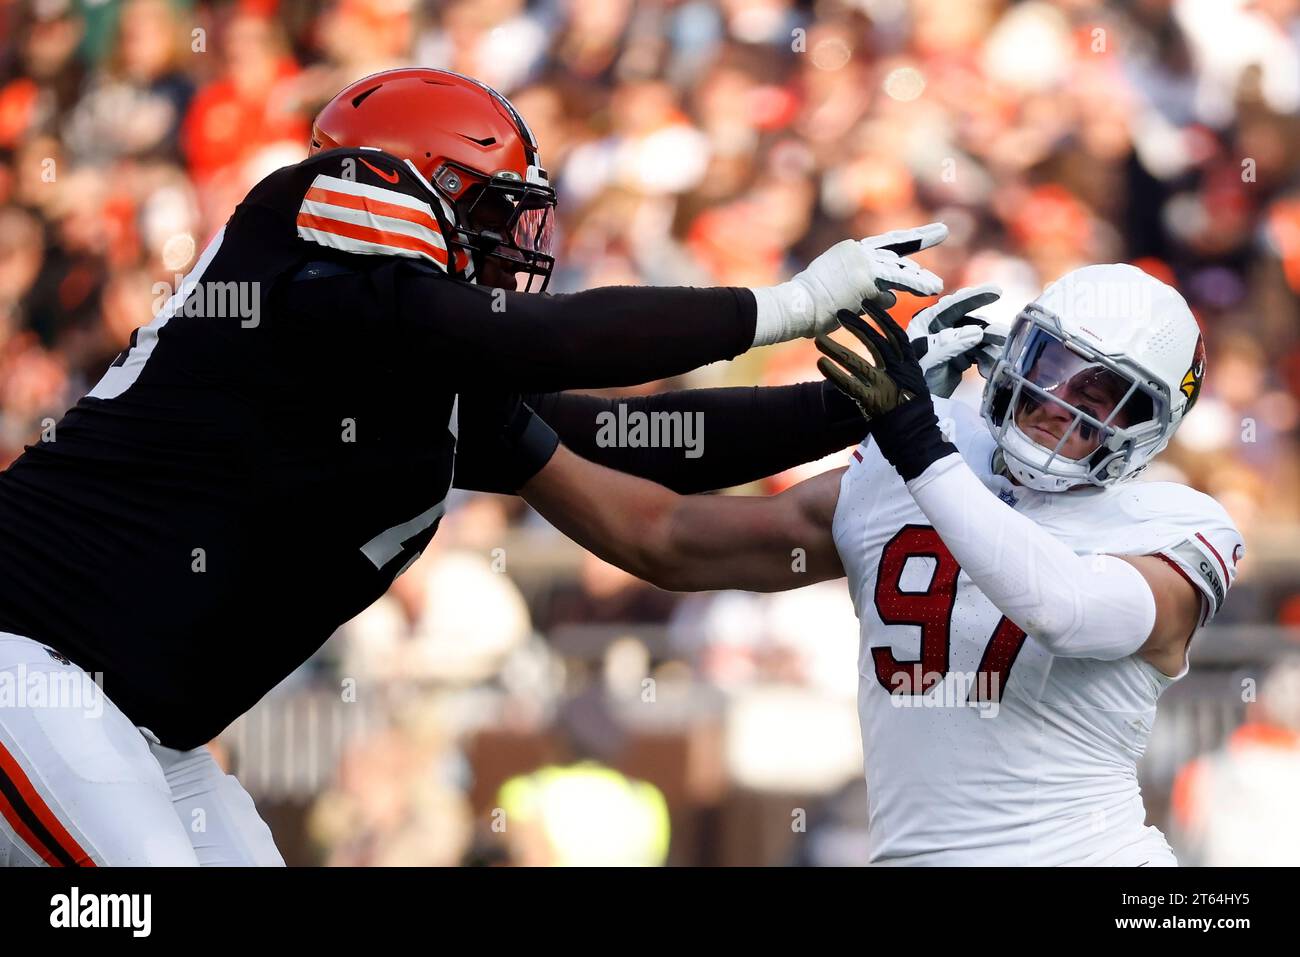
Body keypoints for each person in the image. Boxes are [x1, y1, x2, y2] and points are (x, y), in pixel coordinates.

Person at [0, 67, 987, 867]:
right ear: (414, 181)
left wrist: (864, 396)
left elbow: (643, 445)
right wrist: (785, 307)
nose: (519, 248)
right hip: (27, 663)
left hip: (140, 725)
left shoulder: (411, 361)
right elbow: (539, 338)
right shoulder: (323, 208)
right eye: (502, 213)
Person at [520, 264, 1244, 866]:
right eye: (1052, 365)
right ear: (1015, 352)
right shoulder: (921, 462)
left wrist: (918, 443)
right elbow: (670, 539)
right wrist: (510, 443)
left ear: (1146, 428)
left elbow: (1065, 608)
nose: (1058, 400)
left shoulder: (1173, 526)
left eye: (1100, 392)